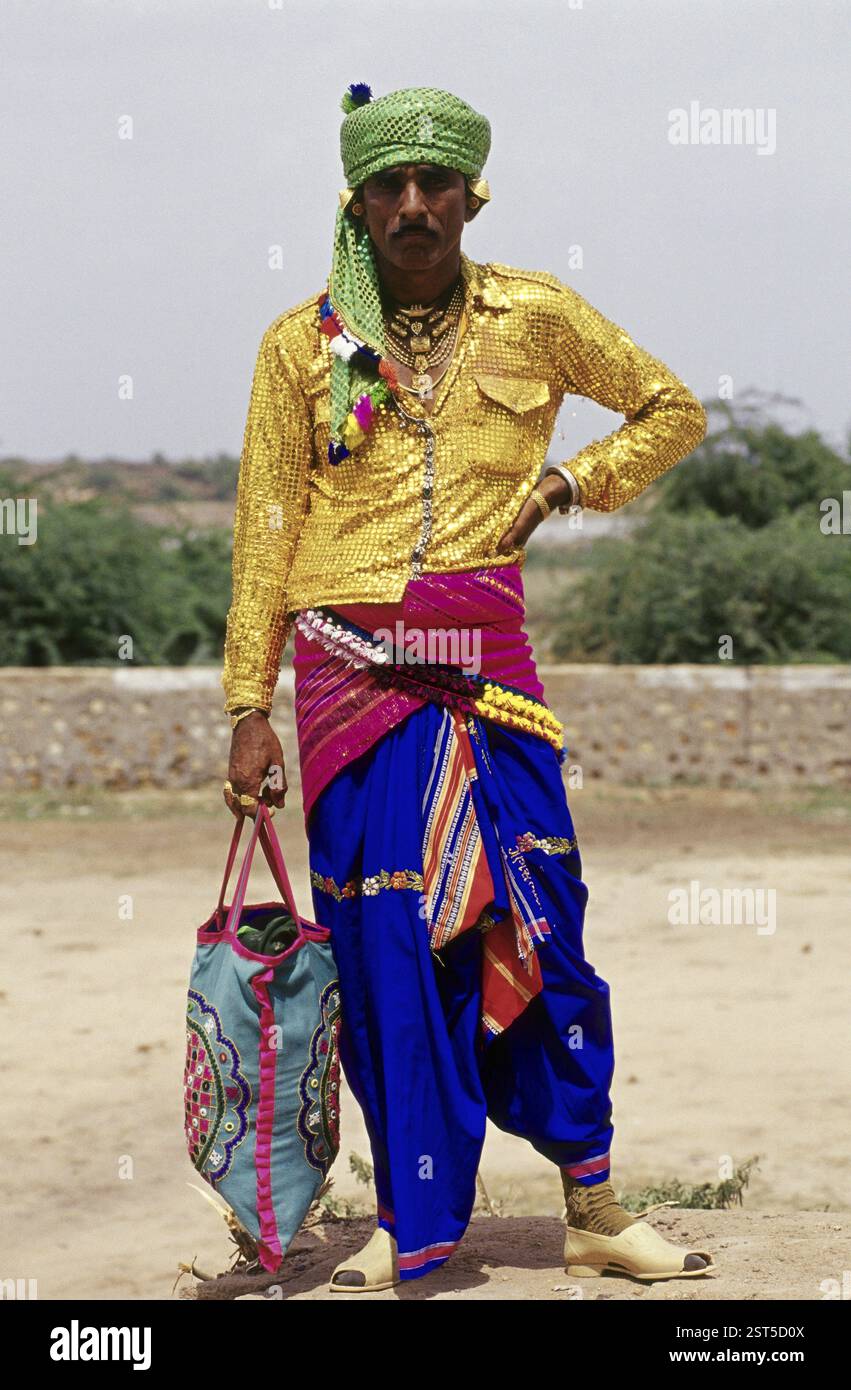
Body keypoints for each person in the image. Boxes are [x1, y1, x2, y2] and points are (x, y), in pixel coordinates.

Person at [221, 83, 714, 1291]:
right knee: (389, 942)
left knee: (540, 917)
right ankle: (413, 1216)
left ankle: (592, 1206)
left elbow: (671, 409)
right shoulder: (302, 345)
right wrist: (246, 704)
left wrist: (560, 488)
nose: (410, 205)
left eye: (432, 184)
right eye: (385, 186)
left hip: (490, 673)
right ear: (357, 201)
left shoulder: (537, 315)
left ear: (468, 197)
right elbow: (265, 528)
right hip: (346, 678)